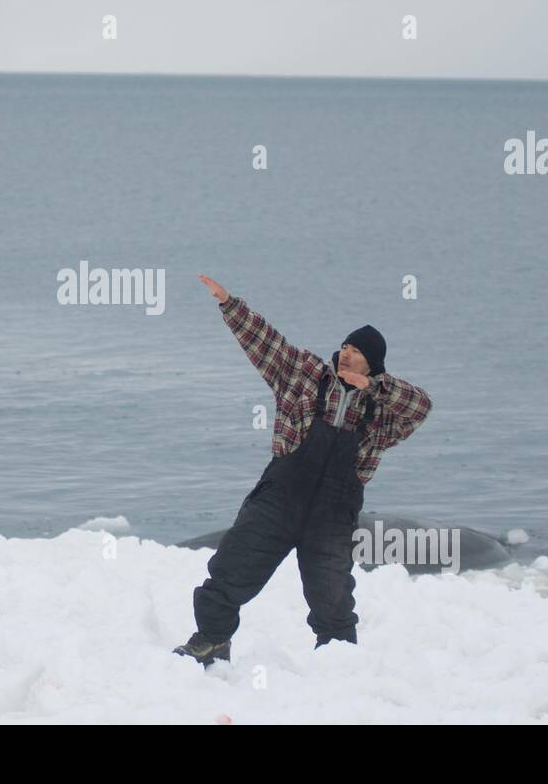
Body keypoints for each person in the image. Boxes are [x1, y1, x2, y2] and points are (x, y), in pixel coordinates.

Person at [174, 274, 432, 664]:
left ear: (372, 363)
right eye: (345, 346)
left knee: (332, 598)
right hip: (279, 500)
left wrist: (376, 386)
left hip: (331, 516)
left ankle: (338, 663)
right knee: (230, 569)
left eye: (356, 351)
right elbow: (265, 342)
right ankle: (211, 639)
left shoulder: (382, 412)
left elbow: (422, 406)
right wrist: (230, 304)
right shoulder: (304, 374)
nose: (346, 353)